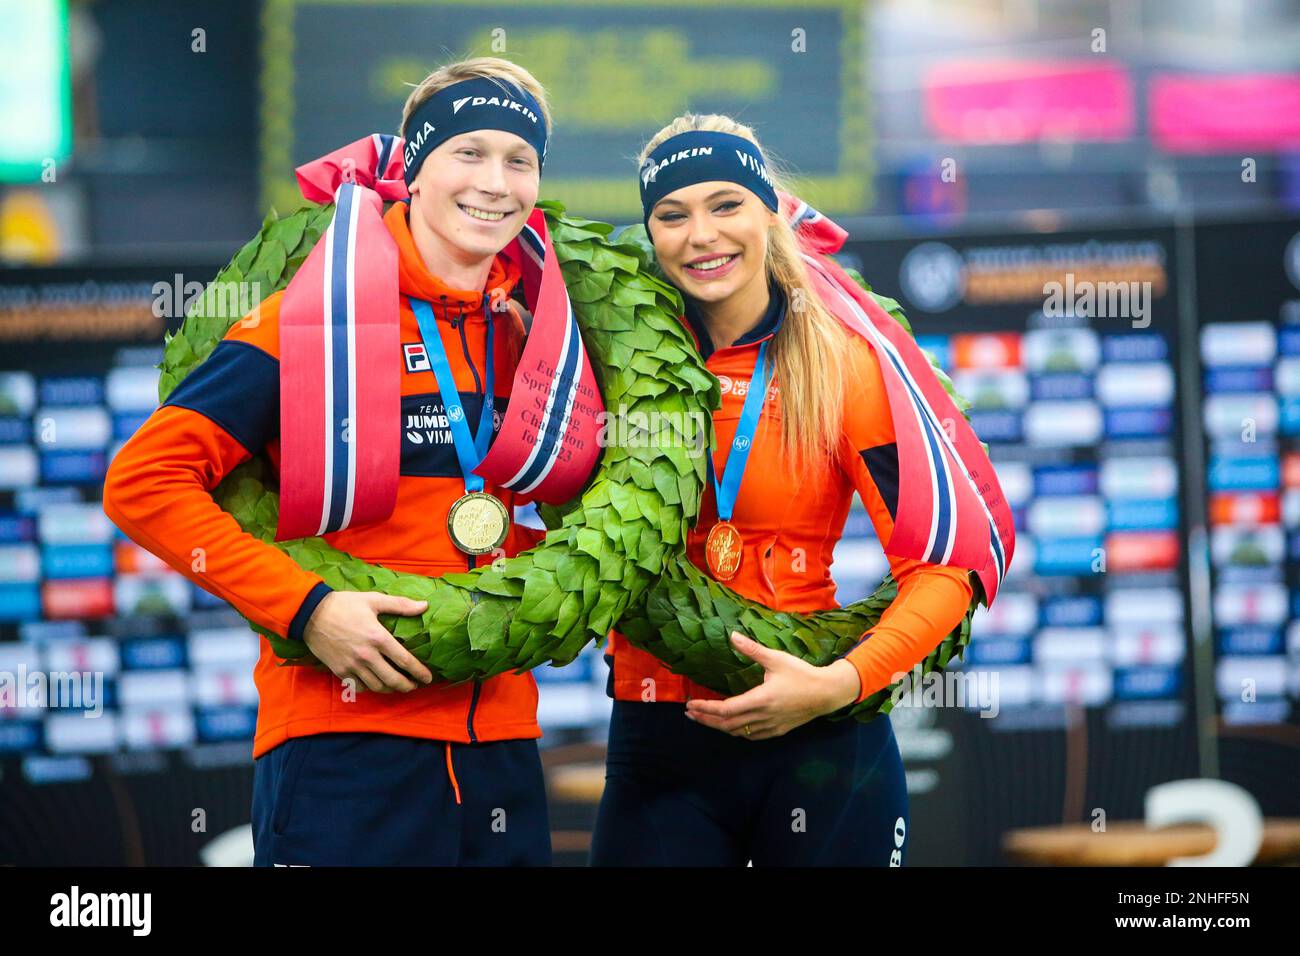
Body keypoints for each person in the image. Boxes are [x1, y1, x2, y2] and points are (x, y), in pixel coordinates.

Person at [103, 57, 570, 866]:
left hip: (499, 744)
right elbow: (142, 482)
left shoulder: (539, 337)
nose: (496, 182)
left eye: (519, 160)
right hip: (343, 741)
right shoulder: (318, 314)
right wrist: (308, 607)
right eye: (469, 152)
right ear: (413, 170)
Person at [590, 113, 989, 866]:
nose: (700, 234)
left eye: (726, 204)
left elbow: (946, 565)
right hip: (657, 736)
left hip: (821, 743)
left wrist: (840, 683)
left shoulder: (842, 363)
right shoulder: (609, 362)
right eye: (671, 214)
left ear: (769, 211)